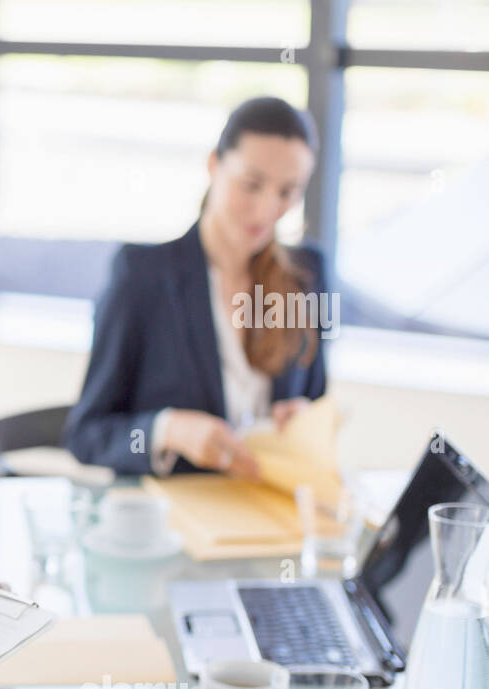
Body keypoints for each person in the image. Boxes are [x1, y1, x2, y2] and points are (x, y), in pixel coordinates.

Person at [64, 96, 329, 477]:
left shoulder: (307, 276)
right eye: (252, 184)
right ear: (213, 166)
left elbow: (316, 399)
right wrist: (167, 431)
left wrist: (304, 422)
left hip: (267, 514)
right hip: (173, 522)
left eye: (287, 192)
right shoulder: (142, 277)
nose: (267, 209)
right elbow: (87, 435)